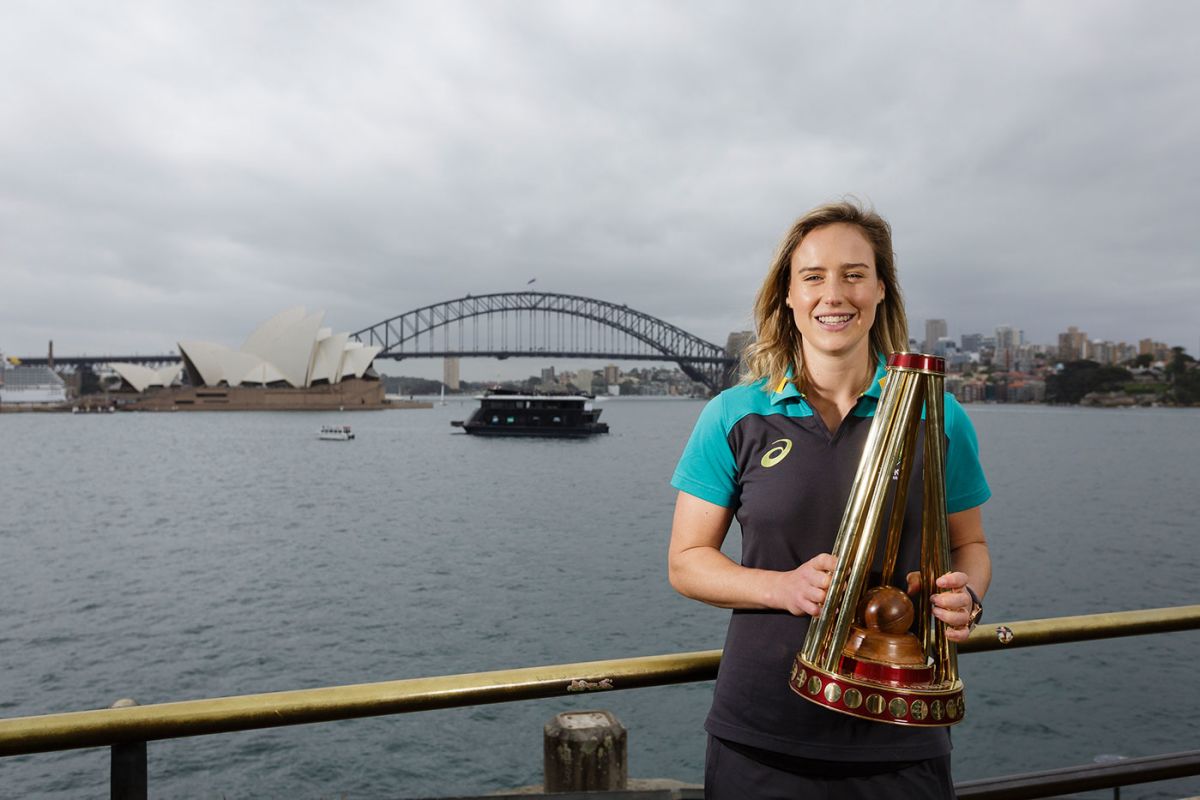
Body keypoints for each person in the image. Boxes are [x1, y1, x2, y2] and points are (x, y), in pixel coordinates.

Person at [668, 200, 991, 798]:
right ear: (787, 296)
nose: (833, 294)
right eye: (812, 277)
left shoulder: (938, 415)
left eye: (854, 274)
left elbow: (969, 544)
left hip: (903, 730)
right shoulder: (733, 415)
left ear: (881, 290)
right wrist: (781, 587)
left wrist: (965, 595)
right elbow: (686, 562)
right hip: (763, 734)